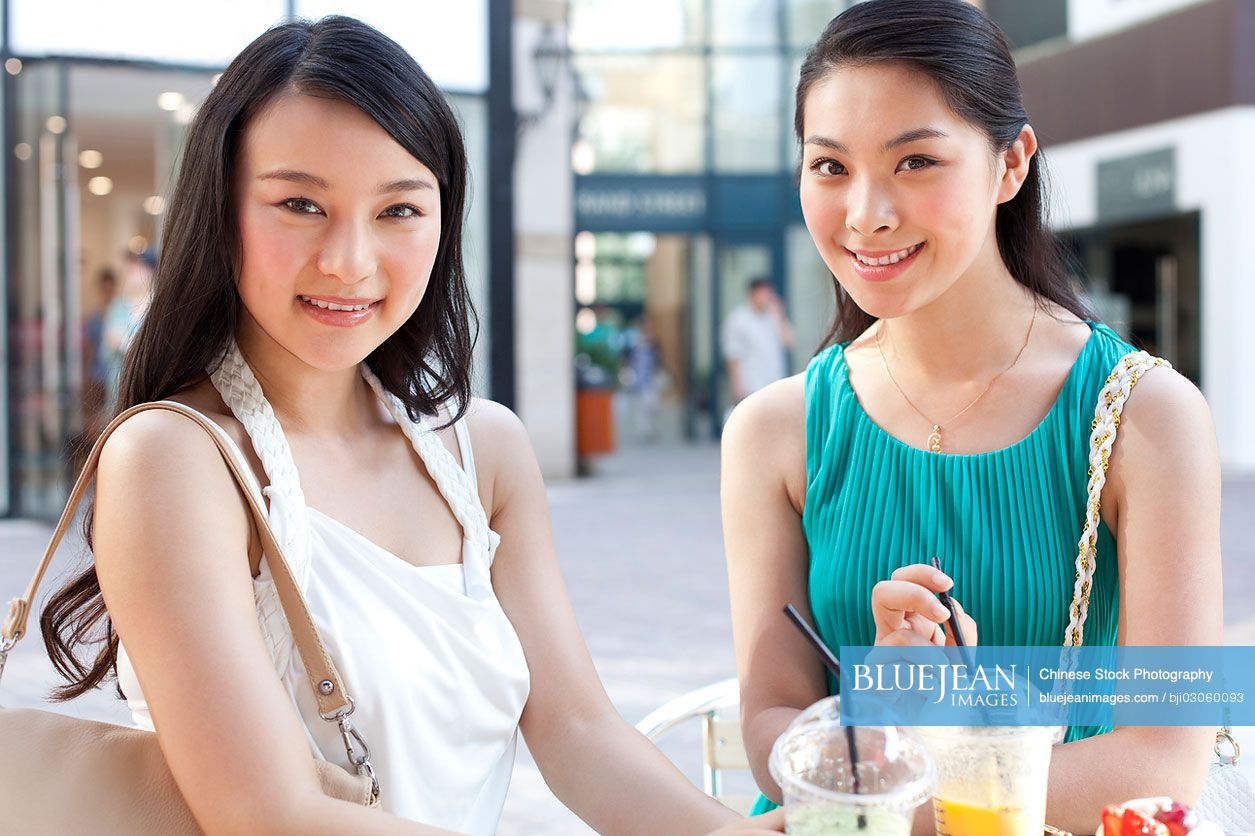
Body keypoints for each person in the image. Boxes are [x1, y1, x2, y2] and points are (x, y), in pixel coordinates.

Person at [39, 17, 782, 836]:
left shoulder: (484, 452)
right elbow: (266, 814)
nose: (349, 260)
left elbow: (577, 732)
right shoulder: (173, 458)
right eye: (299, 204)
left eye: (397, 210)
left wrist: (724, 831)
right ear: (219, 214)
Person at [720, 1, 1221, 831]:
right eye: (829, 167)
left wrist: (883, 810)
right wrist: (879, 698)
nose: (865, 214)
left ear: (1010, 164)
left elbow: (1165, 754)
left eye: (915, 161)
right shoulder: (773, 430)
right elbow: (771, 720)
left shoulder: (1144, 414)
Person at [721, 278, 794, 406]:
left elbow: (789, 342)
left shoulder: (773, 316)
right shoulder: (738, 319)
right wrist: (738, 387)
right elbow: (733, 355)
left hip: (775, 384)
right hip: (752, 386)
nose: (767, 297)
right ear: (752, 294)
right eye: (763, 293)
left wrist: (779, 315)